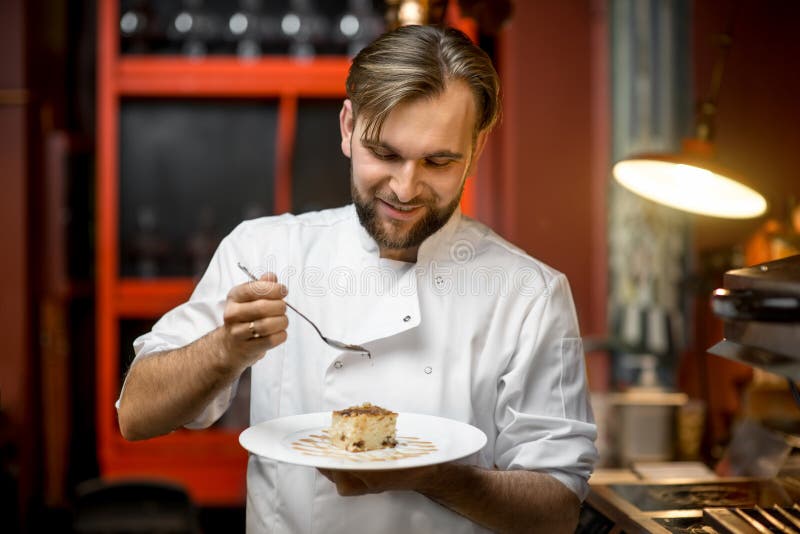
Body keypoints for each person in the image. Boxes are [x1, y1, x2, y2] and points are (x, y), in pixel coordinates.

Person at [117, 24, 597, 533]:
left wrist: (436, 477)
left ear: (475, 151)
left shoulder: (530, 294)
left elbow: (558, 508)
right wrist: (225, 348)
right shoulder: (264, 250)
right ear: (348, 127)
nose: (405, 188)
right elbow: (137, 415)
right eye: (385, 154)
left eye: (438, 161)